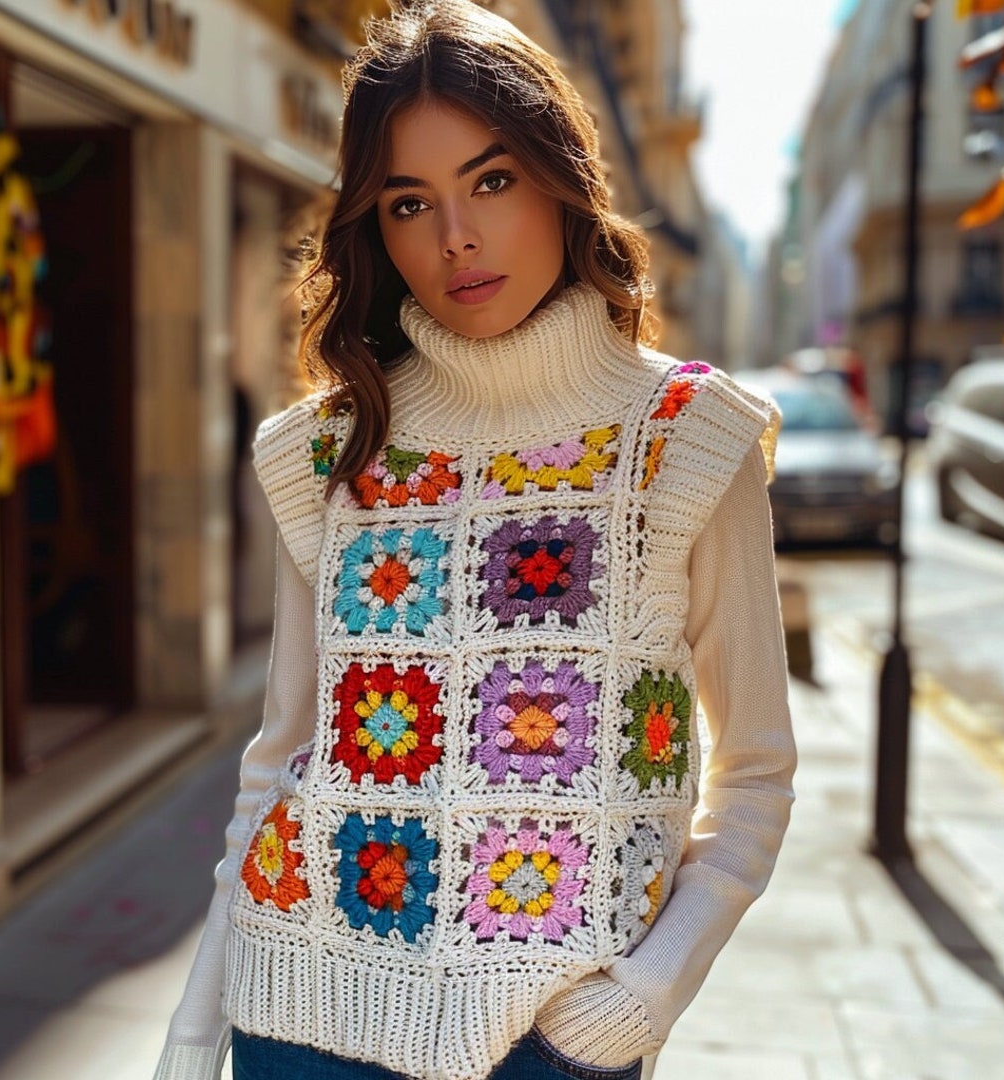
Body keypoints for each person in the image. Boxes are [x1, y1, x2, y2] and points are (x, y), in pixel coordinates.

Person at [154, 2, 796, 1079]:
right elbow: (279, 763)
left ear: (559, 177)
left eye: (491, 181)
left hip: (551, 1037)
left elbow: (757, 773)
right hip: (299, 1005)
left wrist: (646, 997)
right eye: (411, 202)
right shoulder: (327, 451)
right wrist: (189, 1037)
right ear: (377, 227)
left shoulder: (683, 439)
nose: (455, 236)